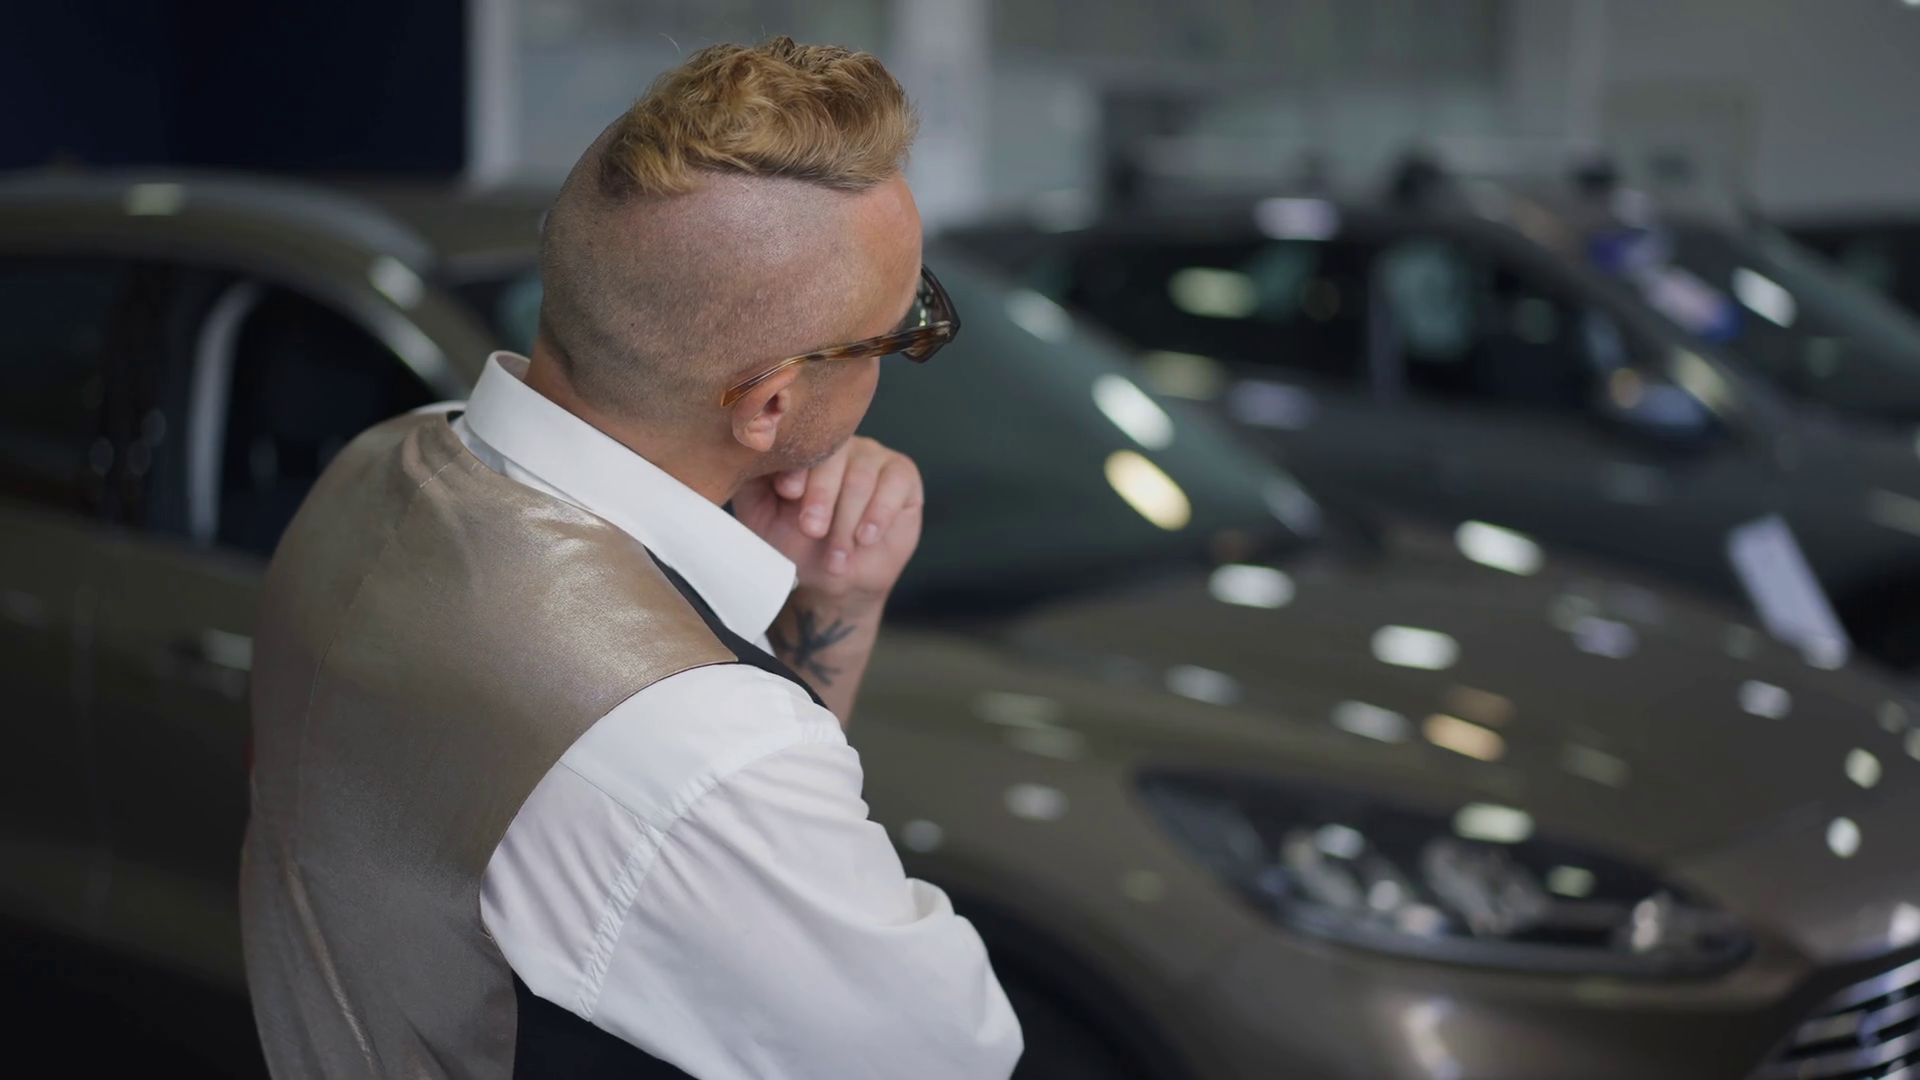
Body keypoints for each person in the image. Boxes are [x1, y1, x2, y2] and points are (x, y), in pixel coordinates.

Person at [239, 37, 1022, 1080]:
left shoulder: (385, 462)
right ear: (770, 405)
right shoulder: (691, 747)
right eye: (904, 331)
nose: (908, 348)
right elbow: (948, 1057)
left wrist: (830, 600)